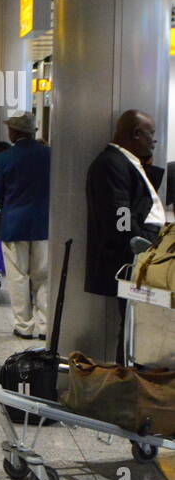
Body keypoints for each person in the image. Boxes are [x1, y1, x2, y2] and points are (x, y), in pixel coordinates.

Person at [86, 109, 164, 361]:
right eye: (151, 134)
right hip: (129, 257)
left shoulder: (126, 161)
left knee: (137, 325)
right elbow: (119, 213)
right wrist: (137, 243)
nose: (154, 140)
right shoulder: (111, 163)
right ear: (136, 134)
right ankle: (128, 380)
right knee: (133, 326)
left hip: (138, 254)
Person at [0, 113, 51, 339]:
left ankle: (24, 326)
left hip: (14, 224)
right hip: (44, 225)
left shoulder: (3, 158)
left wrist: (10, 208)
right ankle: (46, 326)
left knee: (17, 276)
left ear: (14, 132)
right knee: (43, 276)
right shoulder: (50, 155)